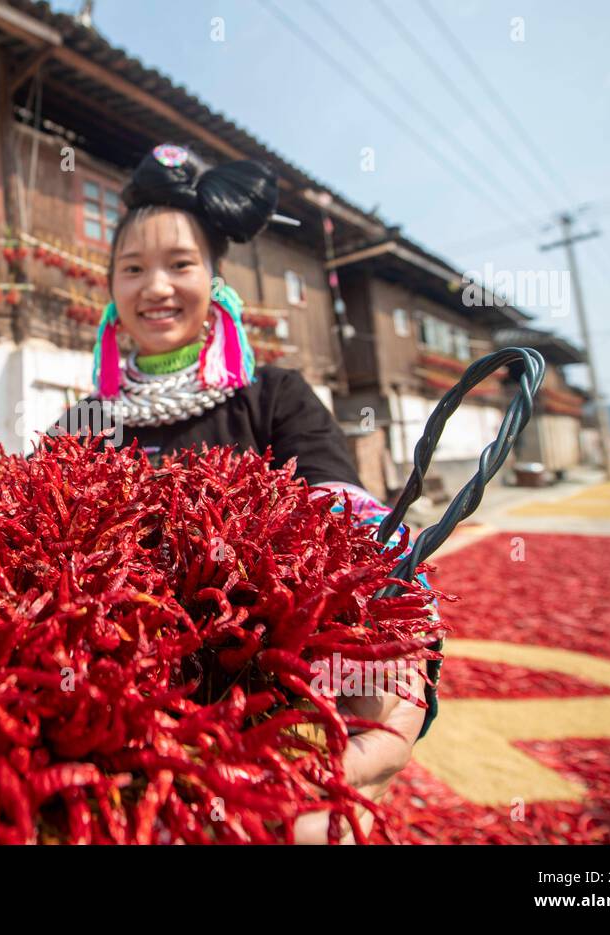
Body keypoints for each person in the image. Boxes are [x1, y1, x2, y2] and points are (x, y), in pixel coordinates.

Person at [46, 142, 441, 843]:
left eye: (180, 264)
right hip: (117, 721)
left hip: (269, 710)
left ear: (216, 279)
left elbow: (351, 537)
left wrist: (392, 661)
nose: (155, 287)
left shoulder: (275, 400)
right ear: (109, 289)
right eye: (131, 269)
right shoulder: (79, 426)